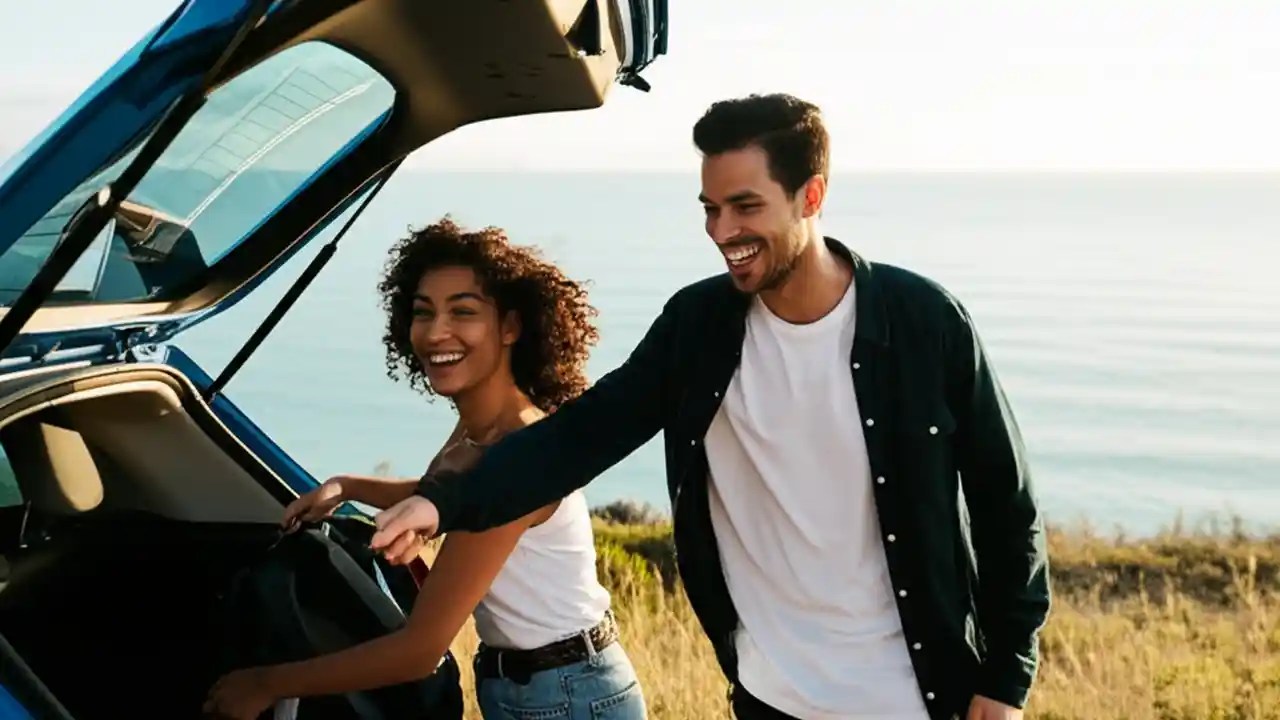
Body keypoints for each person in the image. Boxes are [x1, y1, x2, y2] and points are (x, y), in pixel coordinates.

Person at [371, 94, 1052, 720]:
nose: (722, 230)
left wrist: (1006, 678)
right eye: (709, 207)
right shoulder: (699, 328)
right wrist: (443, 504)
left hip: (911, 696)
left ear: (810, 195)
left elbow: (1005, 505)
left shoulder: (922, 322)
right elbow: (579, 436)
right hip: (768, 695)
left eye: (745, 207)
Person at [203, 218, 647, 719]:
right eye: (423, 311)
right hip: (532, 684)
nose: (437, 332)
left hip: (567, 696)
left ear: (511, 327)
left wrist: (266, 683)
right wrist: (347, 486)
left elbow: (420, 652)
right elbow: (440, 495)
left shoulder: (514, 452)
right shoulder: (477, 429)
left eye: (463, 311)